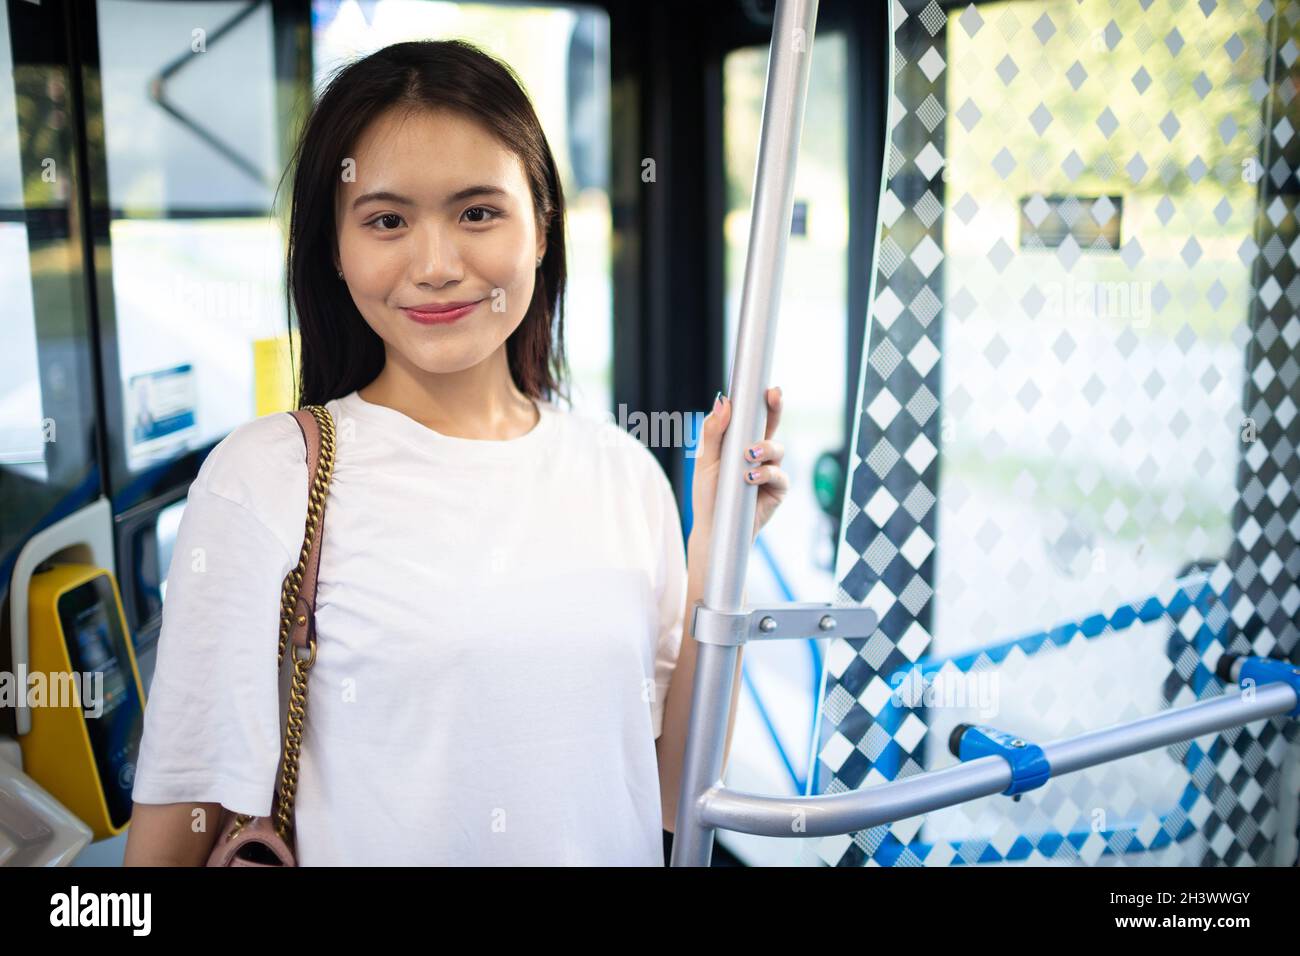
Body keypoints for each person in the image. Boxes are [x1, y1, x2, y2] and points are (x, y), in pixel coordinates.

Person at [123, 39, 786, 866]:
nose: (436, 267)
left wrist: (718, 550)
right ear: (335, 247)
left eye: (477, 212)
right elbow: (176, 826)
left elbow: (673, 786)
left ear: (543, 227)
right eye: (387, 221)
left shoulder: (621, 472)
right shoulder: (266, 479)